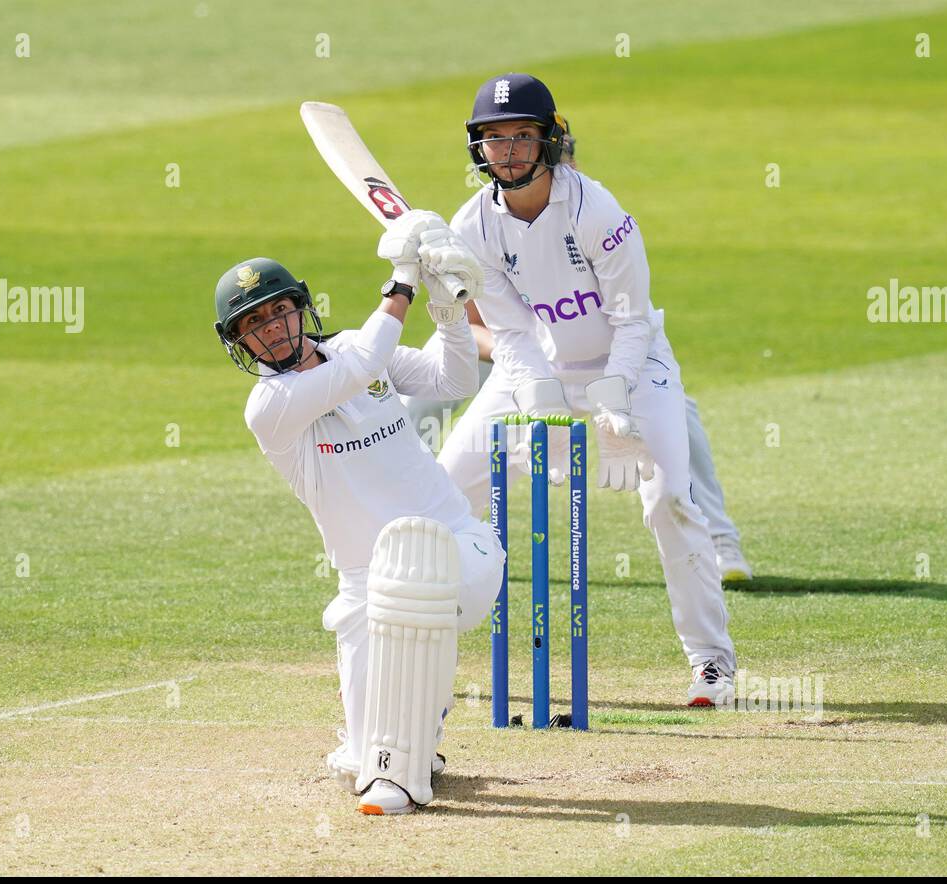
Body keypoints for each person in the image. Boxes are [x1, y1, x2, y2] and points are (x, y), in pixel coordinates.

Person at [435, 73, 738, 707]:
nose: (509, 150)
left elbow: (631, 320)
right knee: (443, 488)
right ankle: (428, 648)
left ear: (550, 141)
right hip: (545, 366)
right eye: (495, 138)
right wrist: (534, 391)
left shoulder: (597, 212)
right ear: (477, 148)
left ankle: (712, 663)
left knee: (668, 504)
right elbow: (510, 330)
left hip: (635, 366)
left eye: (523, 136)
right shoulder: (474, 227)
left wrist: (614, 401)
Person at [212, 210, 500, 814]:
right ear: (240, 344)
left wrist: (447, 308)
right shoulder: (270, 406)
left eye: (276, 310)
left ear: (300, 306)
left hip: (457, 543)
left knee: (415, 597)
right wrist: (402, 278)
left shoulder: (349, 348)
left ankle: (405, 762)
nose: (271, 328)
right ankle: (402, 747)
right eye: (253, 324)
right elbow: (366, 363)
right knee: (364, 747)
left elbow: (453, 379)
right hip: (365, 578)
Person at [400, 114, 752, 582]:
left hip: (607, 355)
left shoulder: (589, 215)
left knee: (675, 412)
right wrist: (523, 367)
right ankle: (407, 517)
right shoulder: (487, 225)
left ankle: (719, 541)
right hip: (520, 357)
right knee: (430, 380)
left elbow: (628, 321)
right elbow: (474, 326)